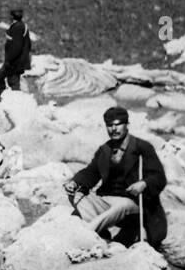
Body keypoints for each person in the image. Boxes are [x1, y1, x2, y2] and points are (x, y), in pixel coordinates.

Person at [64, 107, 167, 249]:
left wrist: (144, 183)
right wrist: (75, 183)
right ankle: (102, 234)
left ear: (126, 125)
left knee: (121, 206)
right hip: (108, 198)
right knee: (77, 195)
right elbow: (91, 172)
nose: (113, 129)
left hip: (134, 202)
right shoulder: (104, 149)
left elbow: (159, 176)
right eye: (109, 125)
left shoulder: (142, 148)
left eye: (117, 124)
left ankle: (88, 233)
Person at [0, 8, 32, 100]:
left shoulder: (18, 27)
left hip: (14, 62)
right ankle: (7, 99)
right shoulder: (21, 26)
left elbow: (16, 47)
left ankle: (4, 99)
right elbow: (28, 44)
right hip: (17, 61)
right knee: (12, 81)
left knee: (4, 78)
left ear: (12, 16)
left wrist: (9, 60)